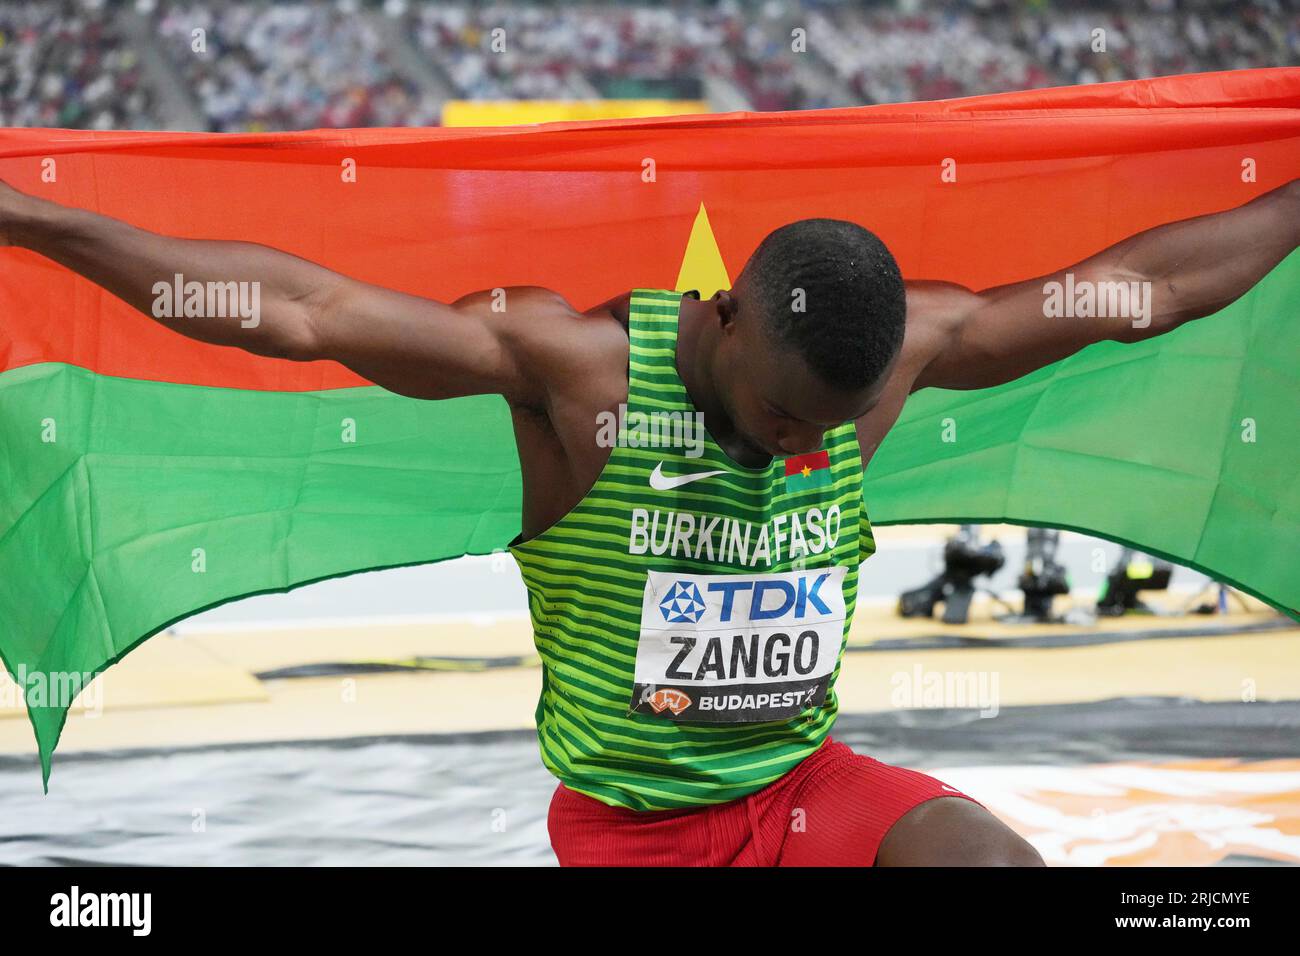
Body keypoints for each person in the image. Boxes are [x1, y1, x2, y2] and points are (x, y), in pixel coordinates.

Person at [2, 177, 1296, 865]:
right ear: (722, 315)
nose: (799, 448)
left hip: (803, 789)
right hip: (637, 833)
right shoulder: (580, 374)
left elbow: (1152, 290)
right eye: (783, 417)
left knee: (992, 868)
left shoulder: (893, 356)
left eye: (824, 431)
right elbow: (309, 317)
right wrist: (35, 219)